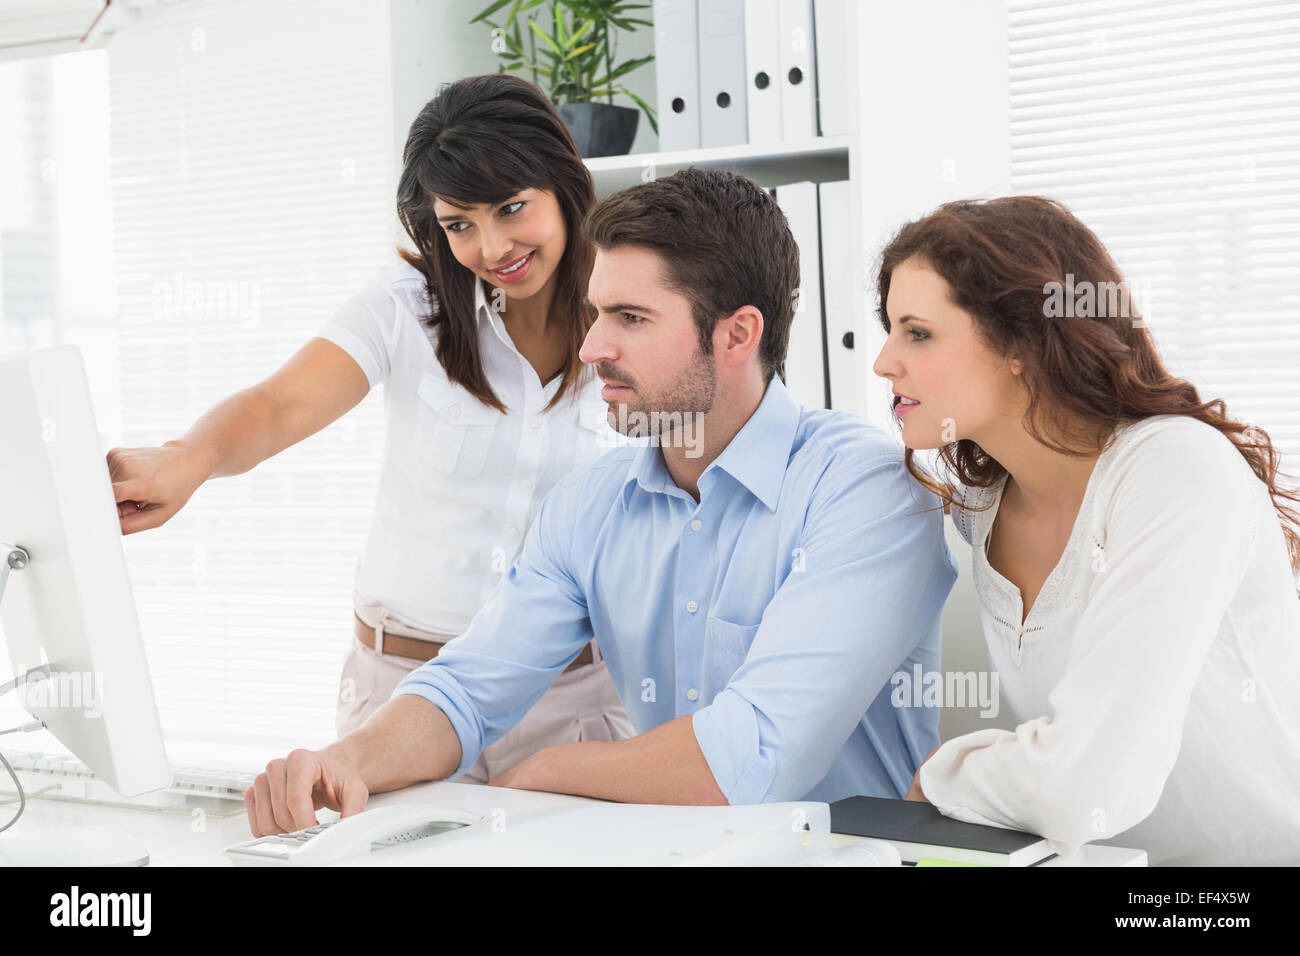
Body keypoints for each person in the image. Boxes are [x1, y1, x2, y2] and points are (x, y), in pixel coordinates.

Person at [241, 166, 958, 836]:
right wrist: (348, 762)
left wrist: (549, 771)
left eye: (631, 318)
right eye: (595, 313)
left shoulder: (867, 489)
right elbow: (469, 689)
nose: (591, 348)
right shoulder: (589, 506)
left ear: (737, 334)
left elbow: (753, 758)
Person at [106, 74, 635, 781]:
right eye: (459, 225)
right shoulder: (406, 307)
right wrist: (187, 458)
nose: (492, 246)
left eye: (513, 208)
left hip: (574, 699)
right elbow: (277, 406)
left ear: (564, 186)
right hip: (402, 692)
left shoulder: (630, 316)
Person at [872, 195, 1300, 866]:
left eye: (917, 332)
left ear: (1020, 344)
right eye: (889, 330)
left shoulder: (1175, 469)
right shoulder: (978, 505)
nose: (883, 362)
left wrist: (941, 775)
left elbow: (1090, 784)